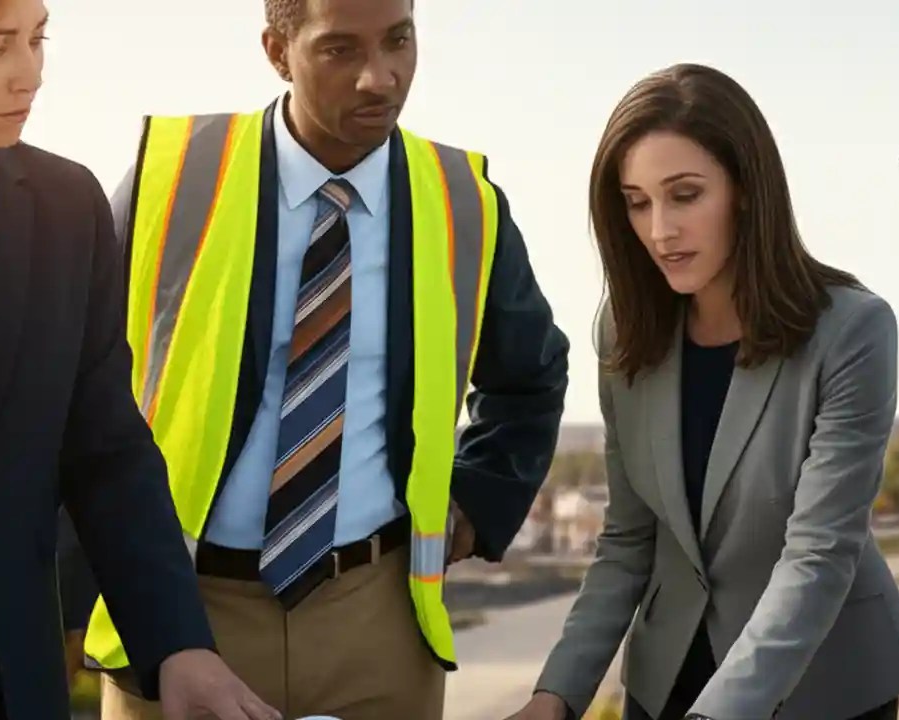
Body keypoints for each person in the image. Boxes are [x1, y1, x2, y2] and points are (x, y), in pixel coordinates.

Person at [57, 0, 570, 718]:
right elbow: (70, 382)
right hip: (185, 616)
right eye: (341, 50)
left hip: (377, 619)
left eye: (398, 41)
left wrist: (478, 502)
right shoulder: (171, 179)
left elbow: (531, 374)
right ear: (277, 51)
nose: (379, 77)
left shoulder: (465, 200)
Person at [507, 63, 899, 720]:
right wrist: (554, 695)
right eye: (637, 202)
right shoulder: (625, 330)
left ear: (746, 191)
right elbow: (628, 541)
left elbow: (817, 554)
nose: (660, 231)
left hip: (823, 688)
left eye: (685, 195)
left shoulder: (853, 330)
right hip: (667, 681)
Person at [0, 0, 282, 718]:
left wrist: (178, 645)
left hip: (10, 680)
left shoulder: (66, 206)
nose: (30, 74)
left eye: (38, 39)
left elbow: (105, 451)